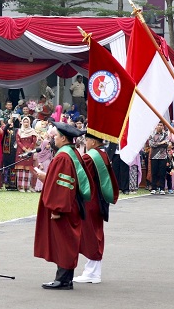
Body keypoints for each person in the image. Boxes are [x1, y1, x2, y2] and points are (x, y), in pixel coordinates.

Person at [34, 122, 91, 290]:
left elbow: (63, 185)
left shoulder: (63, 157)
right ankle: (65, 279)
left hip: (64, 208)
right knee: (66, 242)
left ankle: (63, 280)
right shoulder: (71, 153)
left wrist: (57, 209)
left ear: (64, 138)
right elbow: (63, 180)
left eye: (56, 136)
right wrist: (46, 177)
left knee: (64, 242)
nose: (54, 139)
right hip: (70, 206)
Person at [73, 132, 119, 284]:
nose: (85, 143)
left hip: (91, 201)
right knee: (97, 233)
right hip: (99, 200)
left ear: (93, 142)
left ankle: (92, 273)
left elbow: (79, 176)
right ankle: (93, 271)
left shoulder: (90, 157)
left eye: (86, 141)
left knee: (91, 235)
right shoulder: (102, 154)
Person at [15, 116, 38, 192]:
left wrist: (29, 149)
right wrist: (24, 149)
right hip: (20, 151)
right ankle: (20, 187)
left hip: (29, 152)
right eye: (24, 122)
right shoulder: (19, 131)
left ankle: (27, 187)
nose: (26, 123)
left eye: (27, 122)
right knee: (21, 169)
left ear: (29, 123)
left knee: (28, 169)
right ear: (22, 122)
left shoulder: (32, 131)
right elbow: (18, 141)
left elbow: (34, 141)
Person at [147, 122, 170, 195]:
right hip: (154, 156)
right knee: (154, 172)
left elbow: (167, 144)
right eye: (158, 125)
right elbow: (151, 144)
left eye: (161, 125)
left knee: (162, 173)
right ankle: (154, 188)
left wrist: (159, 144)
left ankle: (162, 188)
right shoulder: (152, 134)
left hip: (163, 156)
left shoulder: (165, 134)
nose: (160, 126)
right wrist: (160, 143)